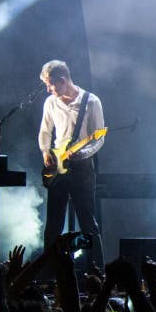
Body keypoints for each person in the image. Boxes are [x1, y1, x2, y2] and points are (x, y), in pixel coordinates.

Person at [38, 60, 105, 266]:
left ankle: (96, 271)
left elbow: (99, 138)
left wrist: (83, 153)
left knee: (87, 223)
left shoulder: (91, 101)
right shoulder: (50, 102)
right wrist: (45, 152)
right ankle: (51, 273)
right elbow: (45, 131)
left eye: (51, 85)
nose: (48, 89)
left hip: (82, 169)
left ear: (63, 80)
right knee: (53, 225)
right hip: (58, 168)